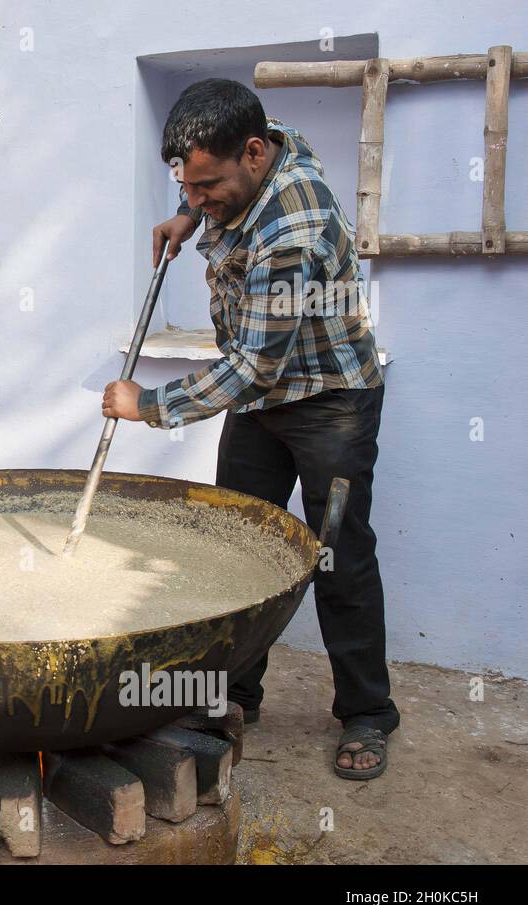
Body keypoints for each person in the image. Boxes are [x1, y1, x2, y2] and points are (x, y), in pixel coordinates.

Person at [101, 78, 398, 779]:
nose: (201, 199)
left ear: (255, 155)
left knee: (336, 557)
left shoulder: (292, 227)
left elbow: (251, 368)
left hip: (330, 399)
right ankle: (232, 694)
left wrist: (148, 405)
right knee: (236, 542)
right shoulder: (253, 138)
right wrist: (186, 213)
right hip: (265, 401)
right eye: (189, 186)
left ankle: (367, 711)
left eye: (208, 188)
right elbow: (211, 176)